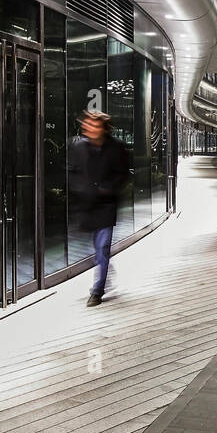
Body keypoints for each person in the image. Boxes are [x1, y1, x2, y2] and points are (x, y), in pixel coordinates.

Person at [68, 109, 130, 307]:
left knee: (102, 249)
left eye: (94, 125)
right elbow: (71, 172)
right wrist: (81, 190)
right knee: (93, 251)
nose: (89, 128)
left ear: (103, 128)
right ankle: (105, 273)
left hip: (105, 206)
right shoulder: (78, 147)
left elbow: (123, 174)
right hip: (86, 206)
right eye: (87, 124)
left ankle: (97, 291)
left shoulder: (116, 148)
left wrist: (107, 189)